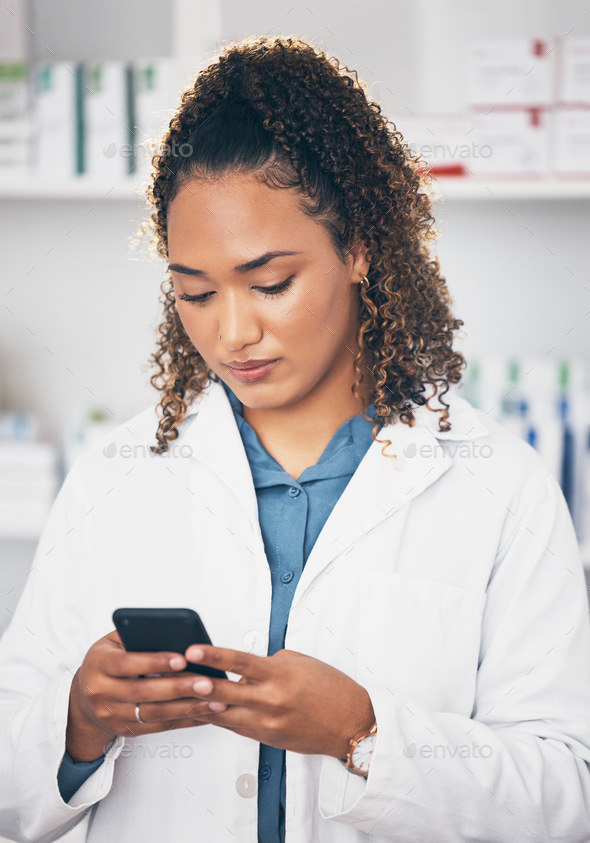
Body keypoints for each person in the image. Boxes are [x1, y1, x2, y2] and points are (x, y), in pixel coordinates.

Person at [1, 33, 590, 843]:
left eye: (270, 282)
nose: (233, 332)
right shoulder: (115, 476)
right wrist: (76, 721)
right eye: (196, 292)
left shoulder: (502, 491)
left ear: (359, 247)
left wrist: (364, 731)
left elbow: (567, 795)